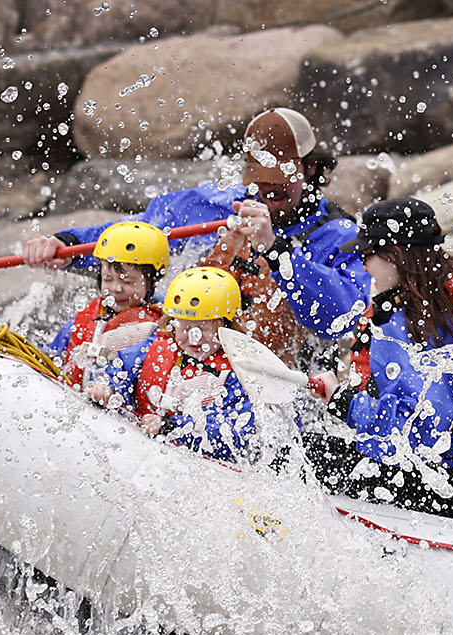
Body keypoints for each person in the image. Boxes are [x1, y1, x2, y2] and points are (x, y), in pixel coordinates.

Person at [23, 107, 369, 368]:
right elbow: (138, 235)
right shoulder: (220, 205)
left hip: (269, 373)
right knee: (117, 320)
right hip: (189, 353)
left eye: (278, 180)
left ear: (310, 168)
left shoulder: (338, 235)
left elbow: (340, 319)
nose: (267, 190)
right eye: (260, 180)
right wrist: (66, 245)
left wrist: (276, 251)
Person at [304, 198, 453, 525]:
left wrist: (344, 403)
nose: (364, 266)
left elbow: (423, 428)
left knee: (299, 457)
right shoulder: (437, 305)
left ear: (395, 256)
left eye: (368, 255)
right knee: (318, 445)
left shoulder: (425, 324)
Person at [108, 266, 256, 463]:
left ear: (226, 327)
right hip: (142, 451)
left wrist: (175, 427)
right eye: (184, 328)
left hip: (195, 463)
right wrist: (111, 390)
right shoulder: (154, 349)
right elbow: (121, 369)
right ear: (172, 324)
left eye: (203, 328)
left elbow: (239, 431)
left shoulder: (237, 374)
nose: (194, 338)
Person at [46, 220, 168, 404]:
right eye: (108, 279)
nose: (116, 289)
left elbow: (132, 366)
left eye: (127, 282)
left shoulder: (157, 329)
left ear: (153, 281)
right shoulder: (89, 315)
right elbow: (52, 355)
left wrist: (112, 388)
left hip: (117, 409)